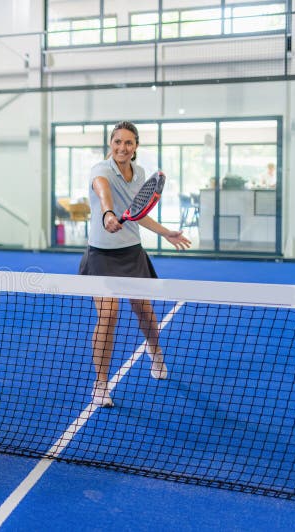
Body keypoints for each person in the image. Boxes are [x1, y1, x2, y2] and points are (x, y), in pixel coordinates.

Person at [79, 121, 191, 408]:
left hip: (131, 253)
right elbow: (102, 192)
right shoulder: (100, 170)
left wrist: (166, 232)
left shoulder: (139, 173)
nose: (122, 148)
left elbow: (138, 212)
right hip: (101, 256)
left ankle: (155, 353)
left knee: (144, 310)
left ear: (136, 147)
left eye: (128, 143)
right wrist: (107, 214)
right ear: (110, 144)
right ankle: (101, 384)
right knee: (109, 314)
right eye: (117, 142)